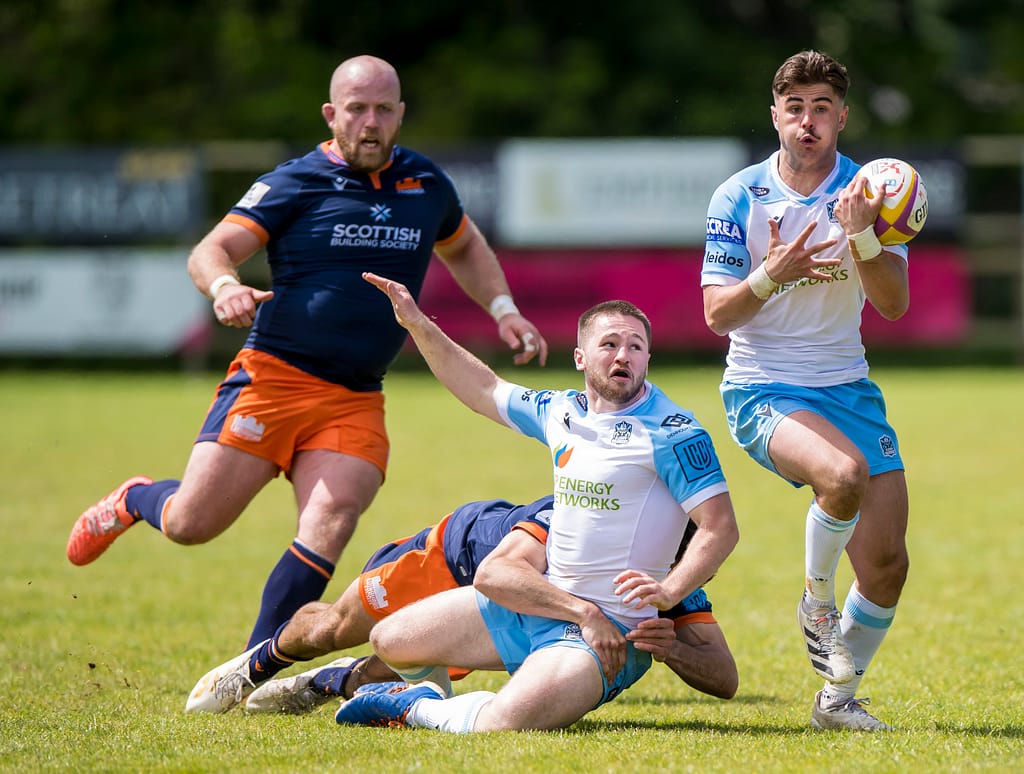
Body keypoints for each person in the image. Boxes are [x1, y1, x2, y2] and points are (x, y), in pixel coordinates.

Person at [64, 55, 547, 650]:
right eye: (357, 109)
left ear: (400, 115)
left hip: (356, 394)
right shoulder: (294, 182)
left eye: (383, 110)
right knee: (192, 525)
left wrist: (504, 310)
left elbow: (466, 245)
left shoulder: (426, 185)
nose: (370, 122)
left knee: (334, 514)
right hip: (273, 379)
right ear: (331, 114)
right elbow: (211, 249)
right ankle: (135, 498)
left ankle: (253, 664)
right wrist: (225, 286)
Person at [333, 276, 739, 733]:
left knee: (502, 726)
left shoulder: (674, 432)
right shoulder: (560, 411)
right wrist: (416, 323)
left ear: (648, 358)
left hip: (610, 632)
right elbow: (483, 387)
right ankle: (433, 699)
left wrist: (670, 591)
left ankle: (416, 708)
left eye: (636, 346)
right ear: (581, 357)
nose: (623, 355)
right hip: (546, 604)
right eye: (609, 344)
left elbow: (719, 527)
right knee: (390, 639)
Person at [700, 50, 911, 732]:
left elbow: (895, 305)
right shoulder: (739, 196)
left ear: (842, 117)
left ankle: (837, 703)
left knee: (885, 567)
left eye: (822, 107)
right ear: (775, 116)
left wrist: (862, 239)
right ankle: (816, 600)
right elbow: (716, 315)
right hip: (762, 386)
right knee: (842, 476)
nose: (808, 121)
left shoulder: (872, 192)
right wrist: (772, 273)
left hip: (846, 385)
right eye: (795, 108)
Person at [184, 495, 737, 714]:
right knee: (335, 626)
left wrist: (674, 652)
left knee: (403, 665)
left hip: (521, 610)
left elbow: (723, 676)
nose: (688, 579)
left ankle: (326, 684)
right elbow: (502, 575)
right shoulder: (584, 519)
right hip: (460, 557)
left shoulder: (677, 574)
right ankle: (258, 665)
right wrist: (586, 614)